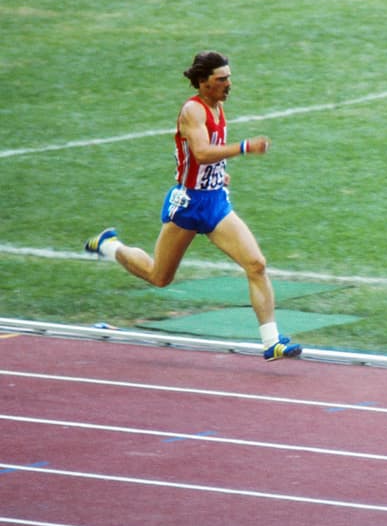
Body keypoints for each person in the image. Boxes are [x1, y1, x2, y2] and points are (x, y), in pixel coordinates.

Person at [84, 51, 301, 361]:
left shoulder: (219, 106)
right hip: (188, 204)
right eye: (221, 79)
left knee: (256, 264)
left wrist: (218, 173)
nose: (229, 84)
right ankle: (110, 246)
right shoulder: (192, 111)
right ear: (203, 83)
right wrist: (243, 147)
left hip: (214, 203)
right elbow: (200, 152)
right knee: (160, 277)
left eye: (229, 77)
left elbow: (205, 158)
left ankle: (272, 342)